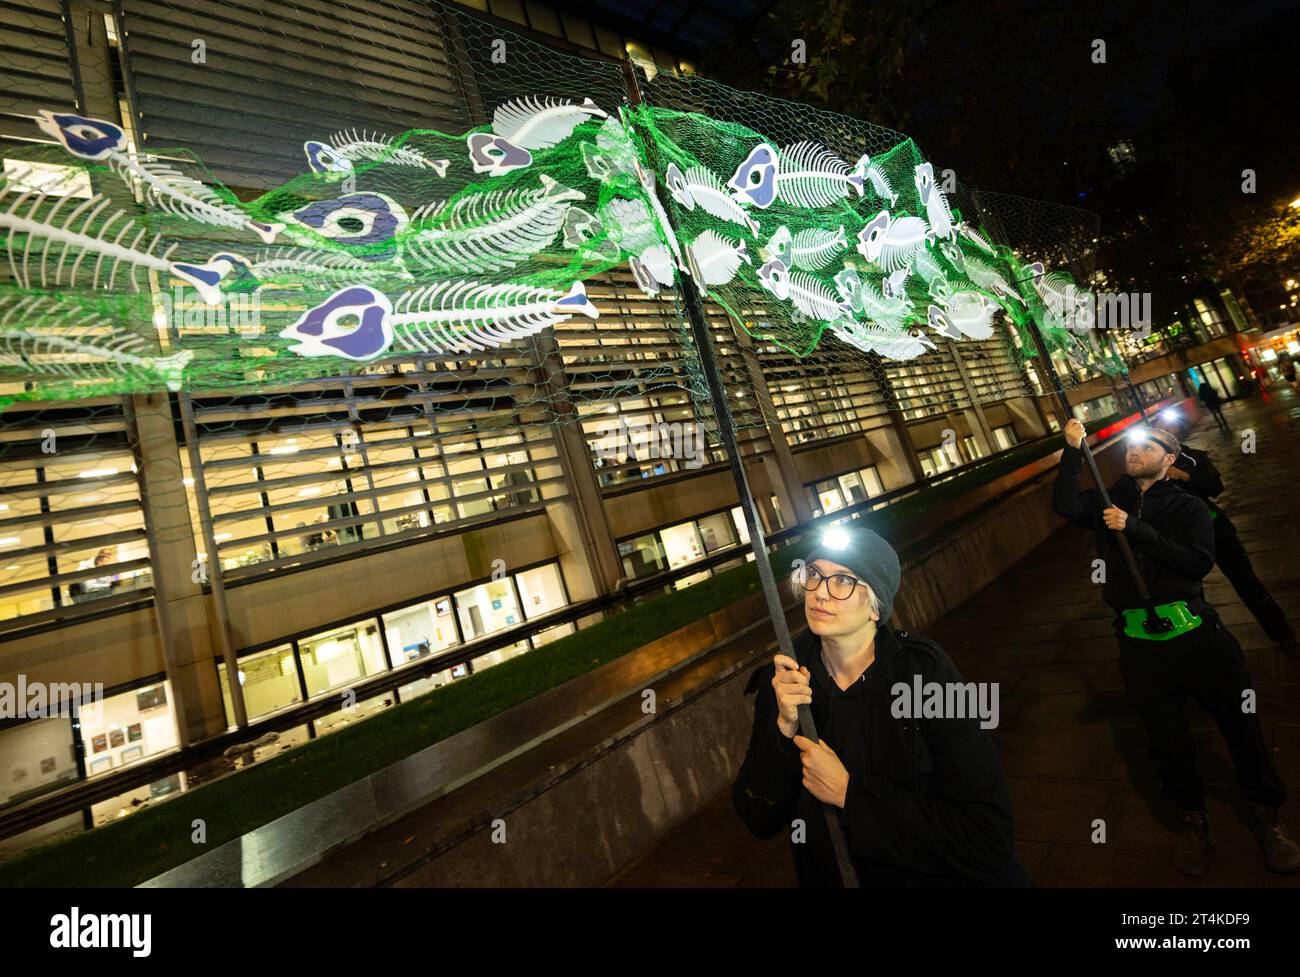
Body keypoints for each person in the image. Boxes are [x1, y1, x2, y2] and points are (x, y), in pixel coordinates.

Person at [1052, 418, 1299, 876]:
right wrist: (1071, 451)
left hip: (1199, 640)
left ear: (1167, 461)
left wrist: (1135, 530)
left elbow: (1196, 563)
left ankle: (1268, 817)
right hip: (1140, 648)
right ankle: (1194, 823)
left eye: (1147, 447)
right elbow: (1065, 504)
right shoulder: (1109, 499)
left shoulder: (1187, 507)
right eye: (1132, 446)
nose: (1134, 452)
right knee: (1166, 741)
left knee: (1240, 728)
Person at [732, 524, 1029, 887]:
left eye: (842, 581)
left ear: (875, 606)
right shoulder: (784, 680)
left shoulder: (927, 676)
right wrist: (782, 729)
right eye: (814, 575)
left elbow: (986, 837)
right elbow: (757, 817)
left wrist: (850, 795)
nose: (820, 594)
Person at [1154, 412, 1298, 656]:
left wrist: (1184, 476)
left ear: (1177, 433)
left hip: (1216, 531)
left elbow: (1215, 487)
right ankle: (1201, 650)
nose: (1165, 434)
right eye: (1159, 430)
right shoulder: (1149, 465)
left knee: (1247, 583)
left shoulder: (1194, 457)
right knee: (1187, 596)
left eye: (1169, 429)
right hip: (1181, 541)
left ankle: (1283, 634)